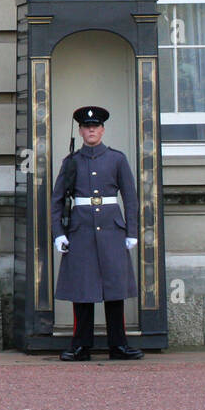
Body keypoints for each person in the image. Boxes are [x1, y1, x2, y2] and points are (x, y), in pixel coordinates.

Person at [51, 105, 143, 361]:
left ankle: (119, 345)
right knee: (83, 290)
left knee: (115, 290)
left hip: (112, 230)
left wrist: (131, 231)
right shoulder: (71, 162)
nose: (91, 131)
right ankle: (81, 346)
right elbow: (57, 200)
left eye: (95, 127)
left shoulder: (117, 159)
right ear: (80, 131)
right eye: (86, 127)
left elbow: (131, 198)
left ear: (102, 130)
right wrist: (59, 232)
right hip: (81, 231)